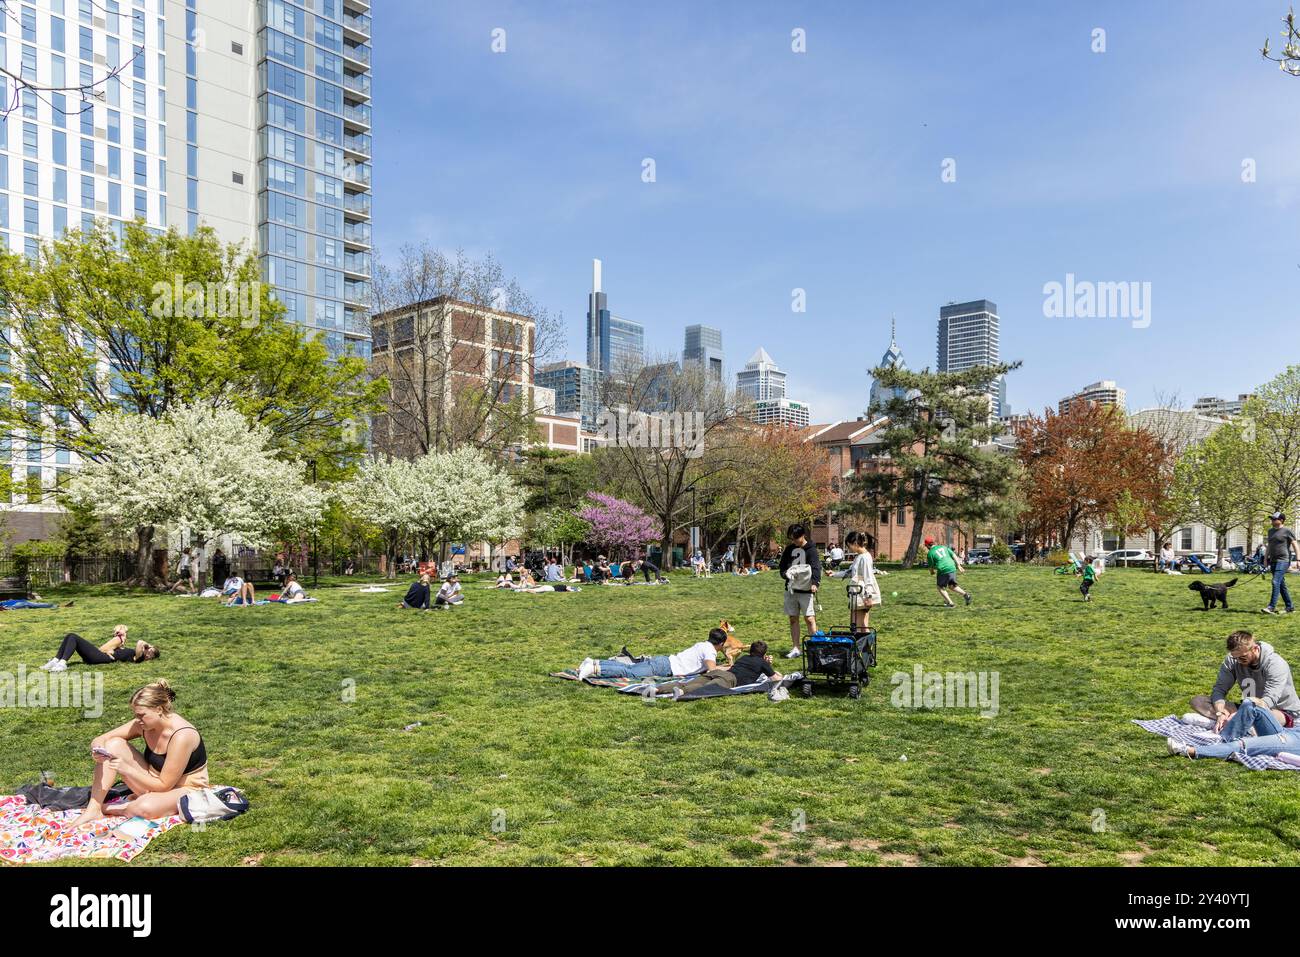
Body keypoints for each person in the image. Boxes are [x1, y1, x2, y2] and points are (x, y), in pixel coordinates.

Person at [64, 680, 209, 831]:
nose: (137, 720)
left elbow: (165, 785)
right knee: (113, 745)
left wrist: (127, 770)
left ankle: (111, 808)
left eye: (141, 715)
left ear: (159, 709)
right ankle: (93, 809)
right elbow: (101, 739)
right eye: (135, 715)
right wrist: (97, 751)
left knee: (144, 808)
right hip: (150, 783)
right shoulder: (144, 724)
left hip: (186, 788)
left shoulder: (181, 735)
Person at [1170, 631, 1300, 759]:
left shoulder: (1275, 663)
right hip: (1248, 706)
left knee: (1250, 709)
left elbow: (1268, 700)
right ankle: (1229, 723)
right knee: (1198, 701)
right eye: (1235, 657)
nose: (1238, 661)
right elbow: (1220, 689)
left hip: (1280, 712)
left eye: (1242, 657)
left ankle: (1226, 733)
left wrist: (1242, 713)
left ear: (1254, 649)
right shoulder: (1233, 661)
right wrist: (1220, 713)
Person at [576, 628, 727, 681]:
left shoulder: (702, 644)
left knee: (629, 666)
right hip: (665, 668)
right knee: (630, 673)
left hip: (664, 661)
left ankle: (594, 662)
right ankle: (594, 670)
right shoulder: (710, 651)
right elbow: (712, 670)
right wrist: (729, 667)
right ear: (720, 644)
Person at [661, 640, 784, 700]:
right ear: (764, 653)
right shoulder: (762, 662)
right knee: (704, 687)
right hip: (730, 679)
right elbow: (776, 679)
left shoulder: (745, 657)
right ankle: (682, 693)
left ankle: (656, 689)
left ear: (750, 650)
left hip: (721, 672)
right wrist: (770, 667)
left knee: (689, 683)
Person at [778, 523, 822, 659]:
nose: (794, 541)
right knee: (793, 618)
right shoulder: (789, 549)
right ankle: (796, 647)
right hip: (792, 589)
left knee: (809, 618)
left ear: (802, 535)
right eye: (791, 539)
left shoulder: (811, 549)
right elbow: (783, 566)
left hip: (806, 590)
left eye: (795, 538)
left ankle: (815, 647)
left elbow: (816, 567)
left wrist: (815, 583)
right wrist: (785, 574)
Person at [39, 626, 160, 672]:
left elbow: (140, 642)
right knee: (70, 636)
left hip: (101, 658)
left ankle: (63, 663)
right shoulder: (135, 653)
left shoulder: (138, 658)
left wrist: (147, 646)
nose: (148, 649)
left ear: (149, 656)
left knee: (74, 637)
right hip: (102, 655)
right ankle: (56, 660)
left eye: (150, 650)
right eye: (149, 648)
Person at [836, 530, 881, 630]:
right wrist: (834, 574)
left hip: (862, 594)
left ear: (855, 543)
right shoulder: (859, 557)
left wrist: (869, 596)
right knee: (860, 624)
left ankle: (864, 645)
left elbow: (868, 577)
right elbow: (851, 572)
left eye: (849, 545)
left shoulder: (865, 557)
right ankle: (865, 645)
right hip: (857, 592)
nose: (849, 548)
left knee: (857, 624)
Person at [1262, 511, 1297, 615]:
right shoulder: (1270, 531)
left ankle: (1271, 607)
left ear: (1281, 520)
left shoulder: (1287, 531)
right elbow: (1269, 545)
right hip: (1273, 560)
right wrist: (1265, 559)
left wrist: (1298, 560)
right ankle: (1290, 607)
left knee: (1275, 582)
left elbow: (1295, 545)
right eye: (1271, 519)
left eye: (1274, 519)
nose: (1272, 520)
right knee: (1281, 585)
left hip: (1283, 560)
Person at [924, 536, 971, 607]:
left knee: (940, 587)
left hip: (943, 569)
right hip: (952, 567)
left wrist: (932, 572)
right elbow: (954, 555)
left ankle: (950, 603)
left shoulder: (930, 553)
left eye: (926, 545)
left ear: (927, 545)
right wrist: (958, 565)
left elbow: (931, 566)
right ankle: (966, 595)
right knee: (952, 586)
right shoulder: (943, 547)